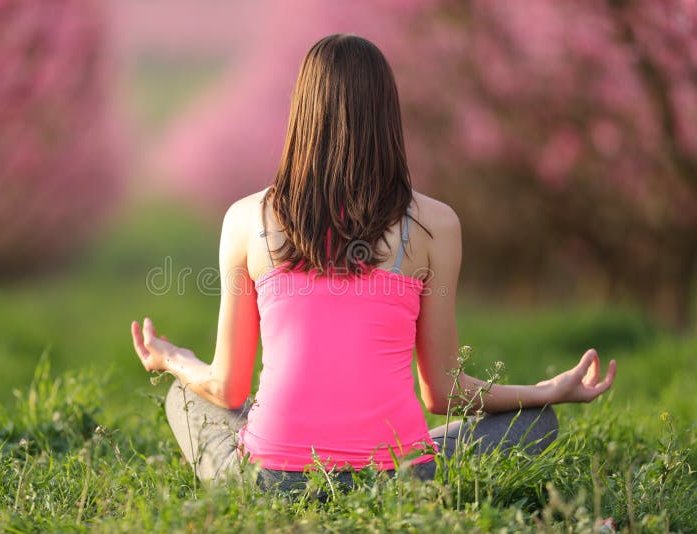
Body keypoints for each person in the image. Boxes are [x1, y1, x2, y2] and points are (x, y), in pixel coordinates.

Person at [130, 34, 617, 492]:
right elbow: (443, 394)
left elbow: (227, 386)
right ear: (387, 114)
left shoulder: (246, 219)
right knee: (537, 421)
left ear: (302, 112)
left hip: (273, 480)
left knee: (186, 395)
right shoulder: (435, 225)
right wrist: (546, 389)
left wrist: (172, 359)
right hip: (399, 478)